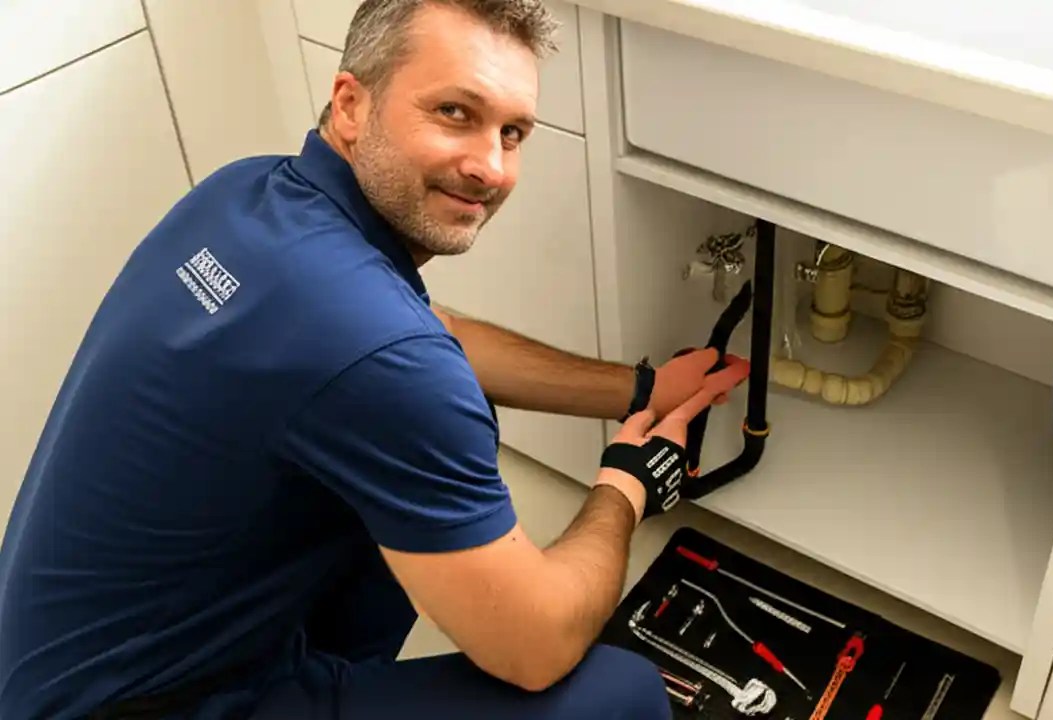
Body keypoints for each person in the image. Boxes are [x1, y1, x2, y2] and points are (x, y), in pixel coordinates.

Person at [0, 0, 750, 717]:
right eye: (455, 112)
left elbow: (429, 336)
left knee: (441, 422)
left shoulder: (244, 195)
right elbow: (539, 648)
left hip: (56, 668)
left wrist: (641, 387)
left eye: (513, 132)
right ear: (352, 104)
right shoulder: (377, 353)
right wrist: (626, 483)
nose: (490, 167)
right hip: (154, 706)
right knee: (618, 691)